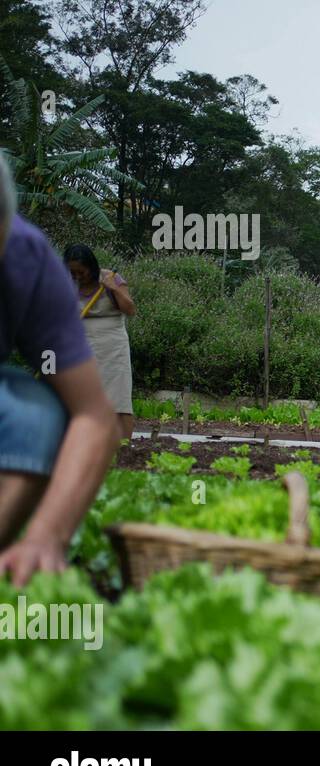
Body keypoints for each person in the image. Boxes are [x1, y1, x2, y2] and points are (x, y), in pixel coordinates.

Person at [0, 158, 120, 586]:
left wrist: (46, 535)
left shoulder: (25, 256)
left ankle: (18, 555)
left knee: (38, 410)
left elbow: (93, 417)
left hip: (104, 341)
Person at [64, 243, 136, 439]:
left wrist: (114, 289)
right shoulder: (64, 282)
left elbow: (130, 310)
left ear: (92, 267)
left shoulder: (110, 278)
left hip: (112, 346)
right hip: (79, 345)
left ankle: (125, 448)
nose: (77, 276)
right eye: (72, 272)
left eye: (81, 272)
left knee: (118, 399)